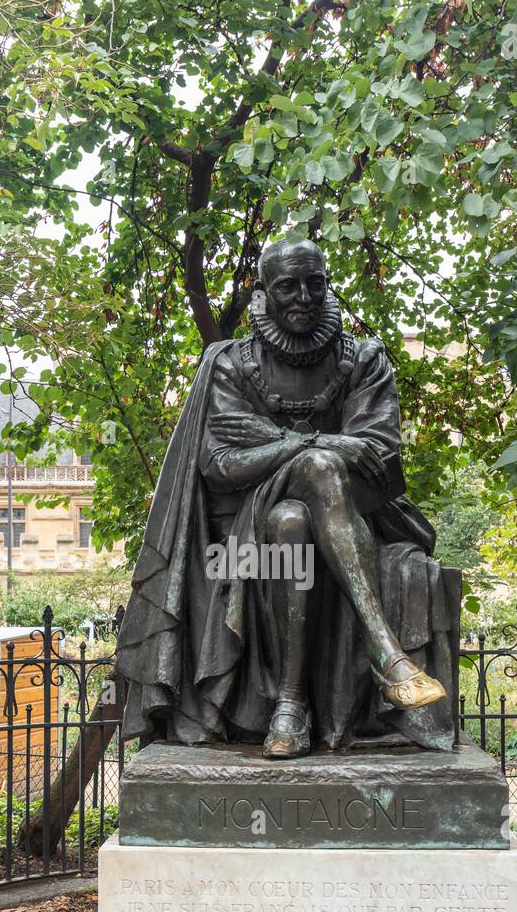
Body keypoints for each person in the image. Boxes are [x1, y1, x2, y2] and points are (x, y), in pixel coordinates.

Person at [118, 238, 457, 758]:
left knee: (293, 520)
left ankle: (291, 707)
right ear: (263, 291)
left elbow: (380, 459)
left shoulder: (362, 359)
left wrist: (270, 440)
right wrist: (317, 441)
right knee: (317, 469)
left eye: (314, 283)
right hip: (237, 547)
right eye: (287, 286)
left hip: (342, 520)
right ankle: (386, 651)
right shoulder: (231, 364)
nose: (303, 296)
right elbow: (220, 464)